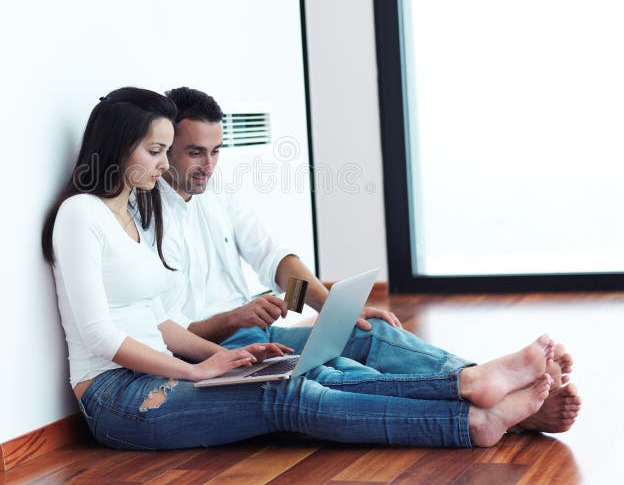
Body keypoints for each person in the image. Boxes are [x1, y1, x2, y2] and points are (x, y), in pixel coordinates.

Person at [42, 86, 567, 451]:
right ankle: (471, 402)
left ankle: (475, 382)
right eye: (183, 152)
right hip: (163, 369)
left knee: (364, 337)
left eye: (216, 151)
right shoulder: (119, 211)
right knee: (315, 377)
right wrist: (214, 347)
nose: (206, 165)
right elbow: (105, 330)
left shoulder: (177, 201)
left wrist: (329, 306)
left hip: (230, 340)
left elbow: (272, 261)